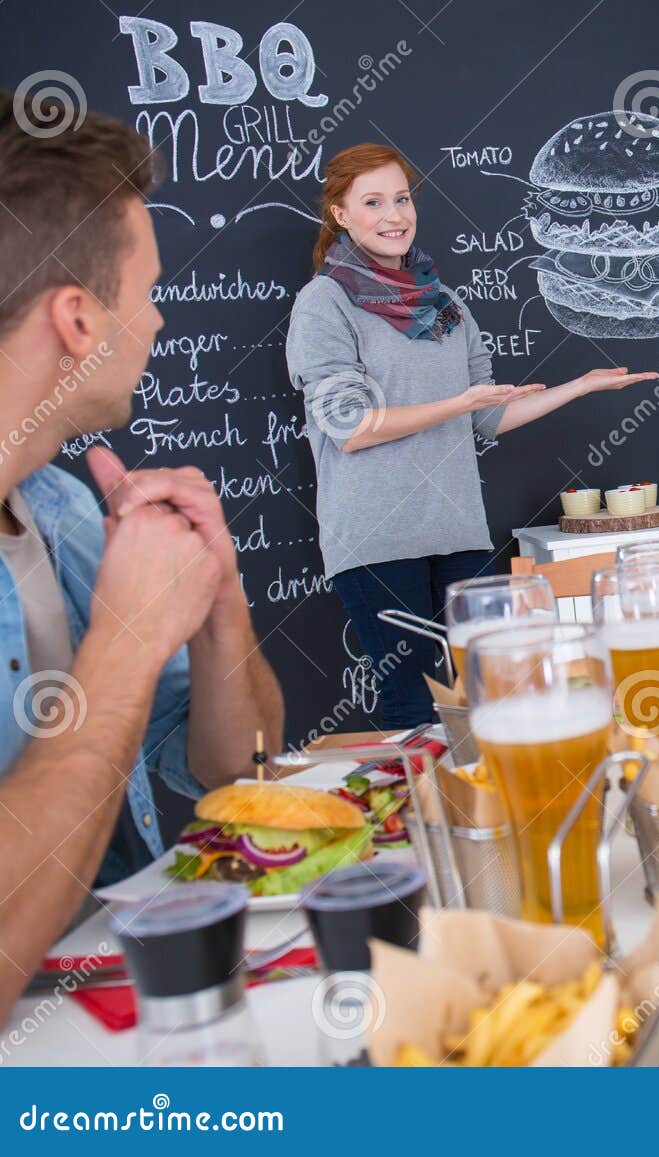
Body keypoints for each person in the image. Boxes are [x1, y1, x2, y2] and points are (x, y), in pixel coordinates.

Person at [0, 97, 284, 1018]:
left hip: (128, 1000)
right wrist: (125, 639)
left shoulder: (59, 508)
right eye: (147, 290)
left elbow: (239, 771)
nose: (157, 320)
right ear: (79, 320)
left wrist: (217, 599)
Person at [286, 143, 659, 729]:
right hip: (377, 541)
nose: (394, 215)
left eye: (402, 199)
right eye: (373, 202)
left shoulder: (445, 304)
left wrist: (579, 387)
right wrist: (457, 404)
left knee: (496, 698)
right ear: (341, 215)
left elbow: (486, 417)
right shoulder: (323, 302)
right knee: (414, 705)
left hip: (457, 529)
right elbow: (350, 428)